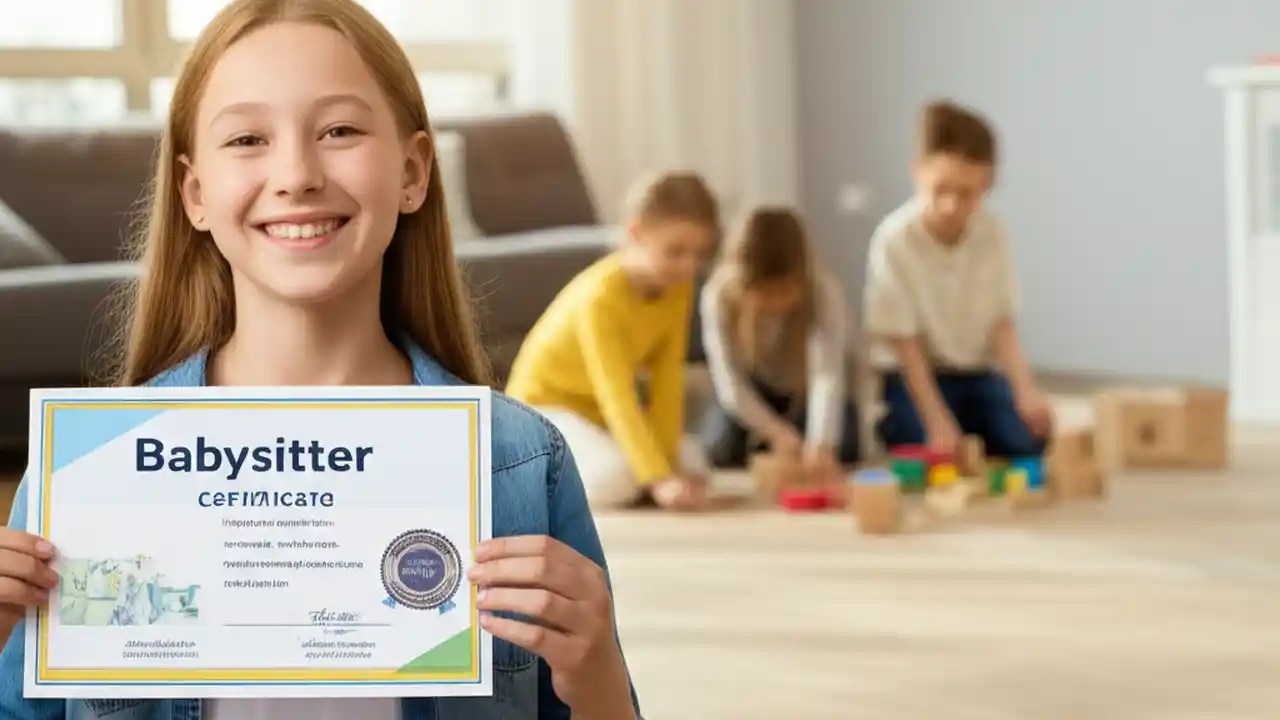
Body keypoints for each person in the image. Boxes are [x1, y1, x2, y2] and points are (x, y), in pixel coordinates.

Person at [0, 1, 642, 718]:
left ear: (413, 171)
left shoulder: (520, 460)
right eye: (247, 138)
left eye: (339, 130)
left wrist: (600, 684)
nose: (297, 174)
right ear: (196, 194)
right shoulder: (88, 474)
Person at [505, 173, 720, 512]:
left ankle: (633, 475)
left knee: (693, 463)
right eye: (675, 251)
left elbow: (667, 381)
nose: (688, 267)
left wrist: (667, 467)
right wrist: (658, 479)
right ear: (636, 233)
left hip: (597, 415)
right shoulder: (600, 298)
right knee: (617, 478)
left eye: (698, 254)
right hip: (546, 409)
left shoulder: (676, 289)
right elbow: (616, 394)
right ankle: (522, 477)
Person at [864, 99, 1053, 459]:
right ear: (917, 172)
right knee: (921, 438)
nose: (951, 206)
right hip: (917, 378)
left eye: (967, 194)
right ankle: (929, 425)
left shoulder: (993, 233)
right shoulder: (893, 240)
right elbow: (906, 344)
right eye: (941, 189)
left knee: (1029, 441)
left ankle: (971, 427)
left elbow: (1002, 323)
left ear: (986, 186)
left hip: (975, 375)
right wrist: (935, 419)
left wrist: (1026, 391)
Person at [698, 207, 859, 478]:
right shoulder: (718, 296)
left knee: (847, 446)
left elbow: (827, 375)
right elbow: (730, 385)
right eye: (764, 293)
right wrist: (776, 432)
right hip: (755, 391)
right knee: (719, 450)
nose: (775, 303)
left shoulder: (823, 290)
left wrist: (820, 441)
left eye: (784, 291)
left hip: (803, 393)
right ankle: (767, 445)